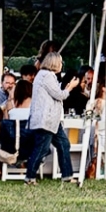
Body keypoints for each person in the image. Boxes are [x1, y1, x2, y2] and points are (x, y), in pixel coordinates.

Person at [25, 53, 80, 184]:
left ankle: (67, 175)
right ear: (54, 63)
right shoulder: (47, 76)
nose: (62, 64)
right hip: (46, 119)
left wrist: (66, 88)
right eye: (60, 62)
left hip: (51, 120)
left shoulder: (44, 75)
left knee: (63, 144)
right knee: (42, 149)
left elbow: (56, 93)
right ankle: (30, 177)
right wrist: (70, 88)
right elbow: (59, 95)